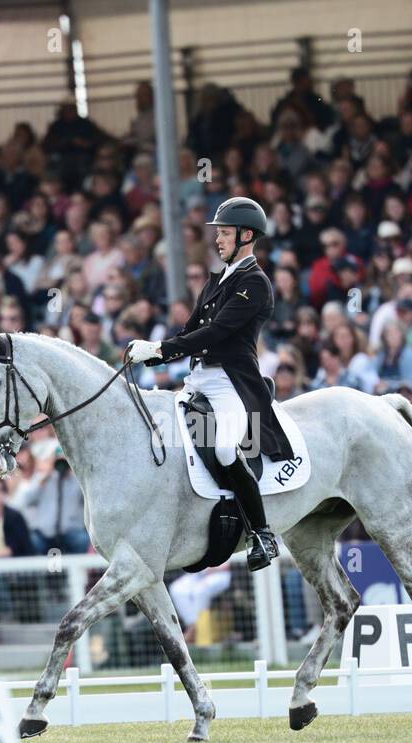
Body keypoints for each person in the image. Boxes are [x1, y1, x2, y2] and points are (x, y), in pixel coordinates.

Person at [128, 197, 294, 571]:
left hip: (232, 384)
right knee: (163, 440)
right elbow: (190, 332)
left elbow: (215, 334)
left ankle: (261, 533)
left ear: (246, 235)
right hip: (199, 380)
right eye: (217, 233)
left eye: (224, 233)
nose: (218, 240)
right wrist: (152, 355)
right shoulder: (216, 281)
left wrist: (160, 347)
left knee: (222, 448)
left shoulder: (255, 284)